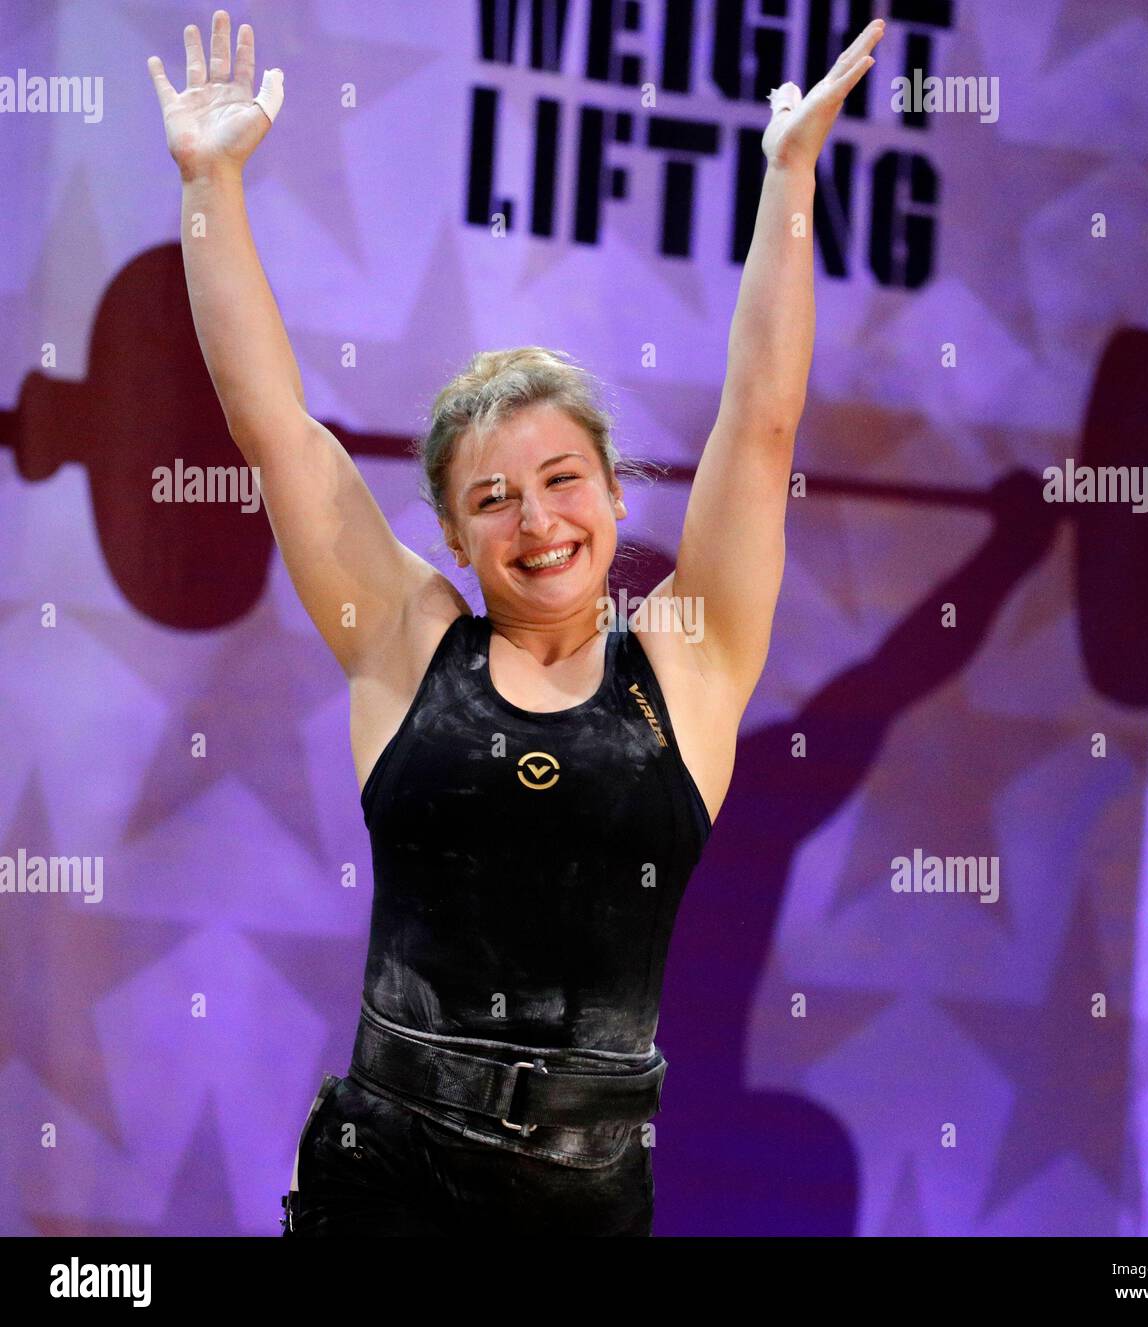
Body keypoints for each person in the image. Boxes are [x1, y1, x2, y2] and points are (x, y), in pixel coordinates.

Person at [147, 8, 887, 1237]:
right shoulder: (406, 642)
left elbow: (760, 422)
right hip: (385, 1174)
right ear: (452, 536)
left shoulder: (687, 663)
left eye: (560, 481)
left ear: (612, 495)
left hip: (583, 1203)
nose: (535, 520)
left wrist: (789, 179)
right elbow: (272, 423)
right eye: (491, 498)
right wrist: (210, 183)